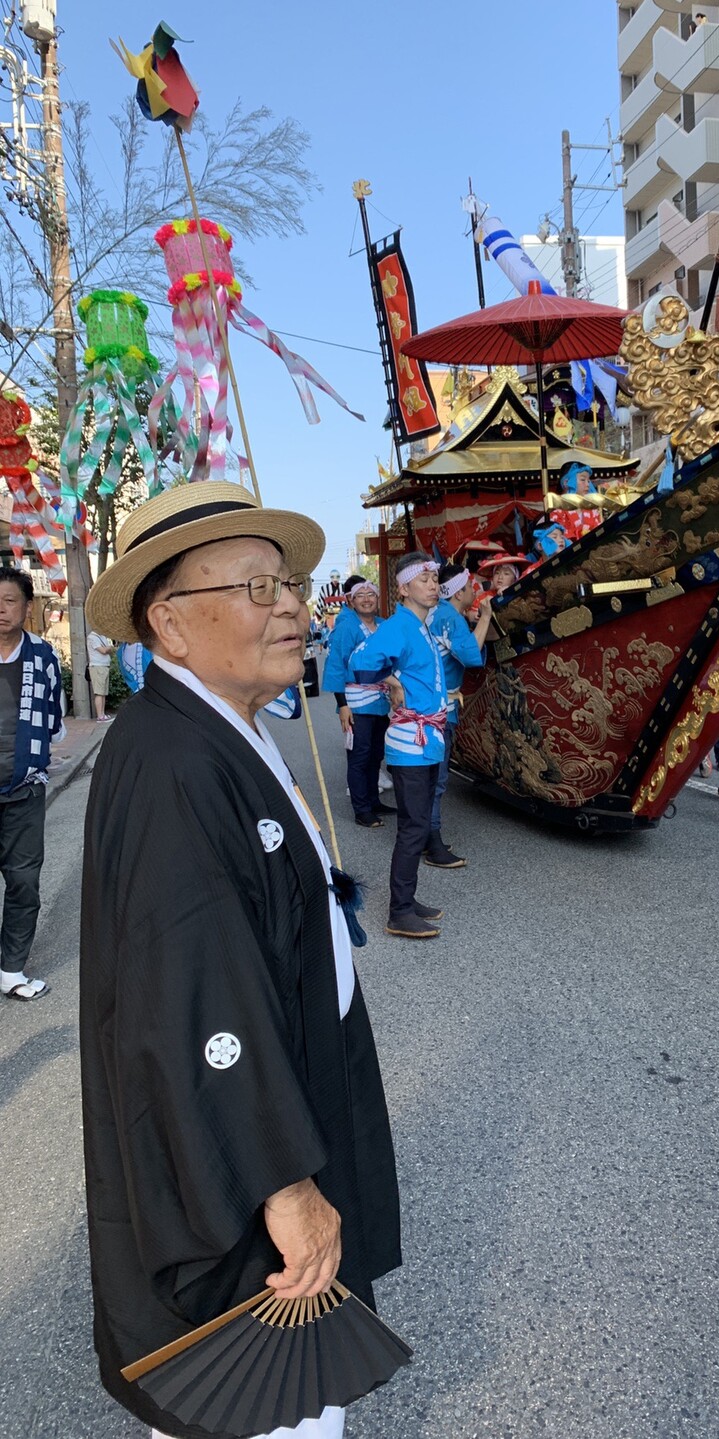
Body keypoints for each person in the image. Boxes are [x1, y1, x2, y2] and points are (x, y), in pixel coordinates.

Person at [78, 482, 401, 1439]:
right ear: (170, 624)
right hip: (237, 1163)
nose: (293, 606)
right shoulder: (175, 762)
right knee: (266, 1396)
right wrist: (285, 1185)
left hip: (292, 1085)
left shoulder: (228, 726)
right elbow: (195, 1001)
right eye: (256, 587)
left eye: (288, 582)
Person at [349, 552, 448, 940]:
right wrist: (390, 681)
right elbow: (361, 663)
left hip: (427, 739)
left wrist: (396, 678)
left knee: (417, 823)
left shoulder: (419, 625)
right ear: (404, 588)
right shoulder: (401, 625)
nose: (433, 584)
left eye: (435, 577)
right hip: (410, 741)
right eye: (423, 578)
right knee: (413, 827)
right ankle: (400, 910)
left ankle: (408, 899)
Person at [0, 568, 64, 1003]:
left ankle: (11, 970)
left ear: (27, 608)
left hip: (24, 789)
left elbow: (56, 722)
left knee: (23, 884)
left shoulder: (42, 655)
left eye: (9, 600)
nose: (0, 609)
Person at [425, 563, 493, 867]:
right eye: (470, 587)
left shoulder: (439, 613)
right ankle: (432, 843)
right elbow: (471, 656)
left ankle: (428, 837)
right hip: (440, 709)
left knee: (430, 778)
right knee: (436, 781)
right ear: (458, 593)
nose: (474, 591)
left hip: (430, 704)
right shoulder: (449, 618)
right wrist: (486, 619)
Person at [325, 576, 394, 827]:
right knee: (359, 754)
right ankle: (361, 808)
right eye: (360, 596)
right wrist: (342, 704)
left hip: (380, 697)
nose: (366, 600)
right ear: (351, 601)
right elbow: (336, 665)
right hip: (355, 700)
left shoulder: (384, 625)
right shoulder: (347, 627)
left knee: (376, 753)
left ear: (377, 599)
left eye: (371, 595)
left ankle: (374, 801)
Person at [86, 627, 116, 722]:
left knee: (103, 692)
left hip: (104, 665)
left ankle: (102, 713)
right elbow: (103, 650)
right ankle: (100, 716)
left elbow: (109, 649)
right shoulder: (92, 637)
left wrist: (108, 648)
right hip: (97, 666)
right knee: (99, 692)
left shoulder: (103, 637)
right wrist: (109, 648)